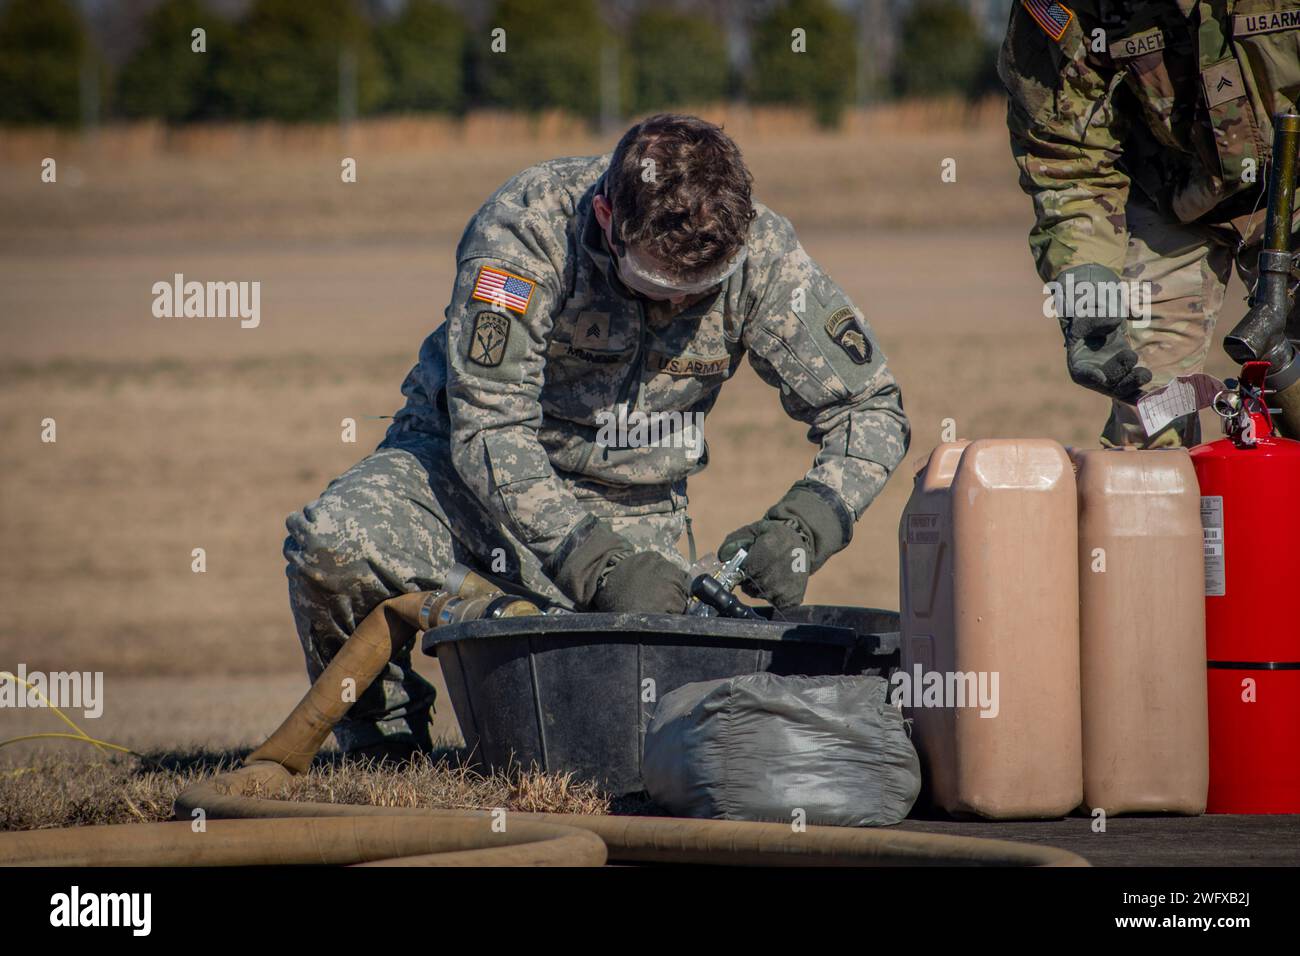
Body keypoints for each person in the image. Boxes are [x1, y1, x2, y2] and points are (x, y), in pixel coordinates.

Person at [283, 114, 910, 760]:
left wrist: (806, 525)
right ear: (609, 219)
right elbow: (490, 429)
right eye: (658, 287)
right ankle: (385, 747)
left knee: (641, 751)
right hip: (459, 485)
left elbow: (872, 409)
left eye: (699, 294)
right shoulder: (526, 230)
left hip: (635, 512)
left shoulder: (761, 255)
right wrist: (596, 565)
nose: (674, 309)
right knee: (333, 542)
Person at [1000, 0, 1300, 446]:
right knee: (1146, 416)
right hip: (1175, 196)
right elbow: (1067, 154)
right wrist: (1087, 298)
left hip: (1294, 190)